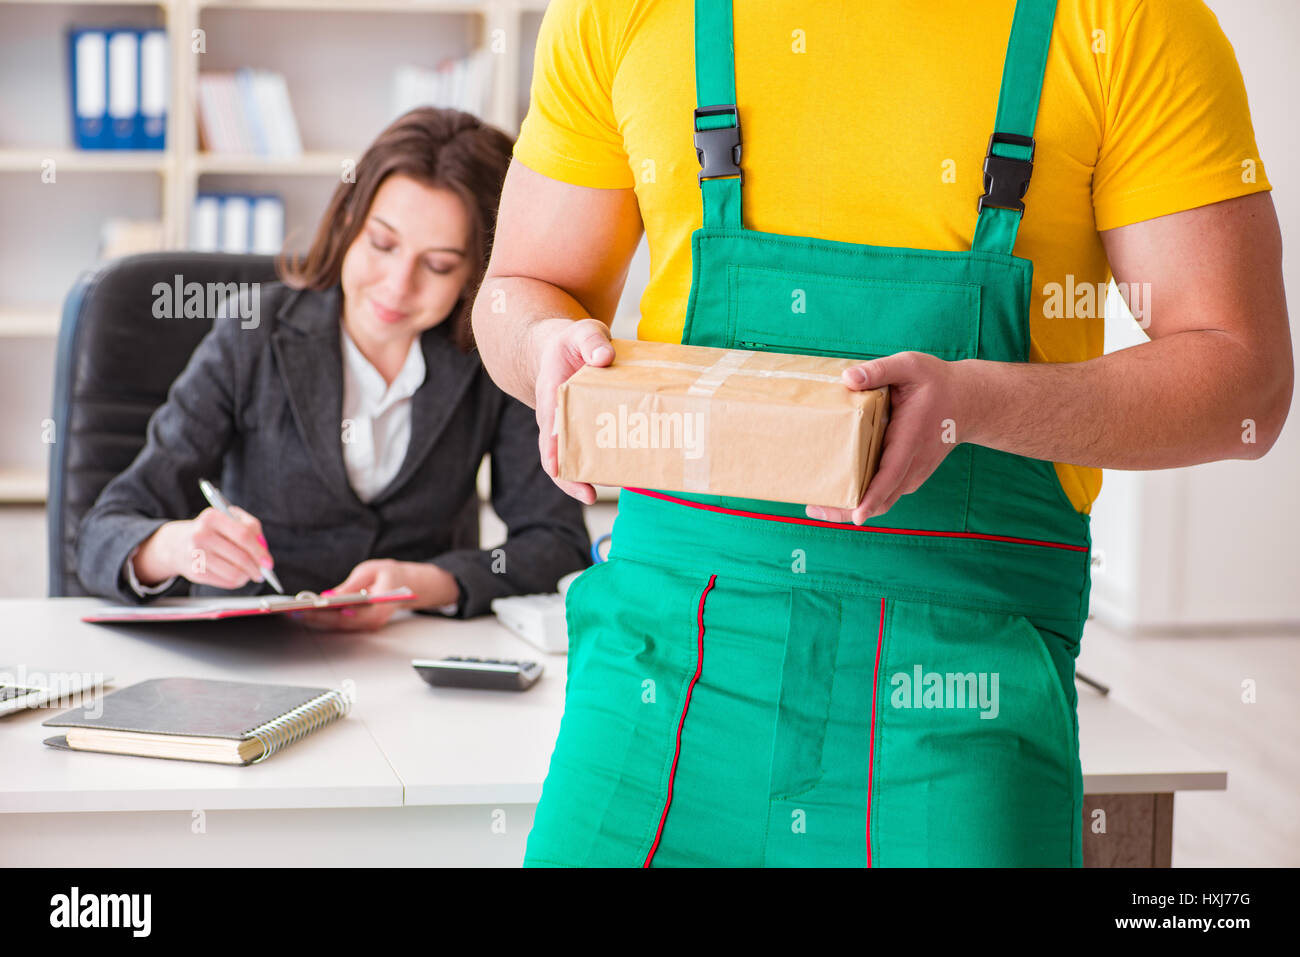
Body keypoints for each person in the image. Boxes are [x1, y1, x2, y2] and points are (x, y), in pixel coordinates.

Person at [472, 0, 1292, 865]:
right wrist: (541, 348)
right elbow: (516, 288)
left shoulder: (1124, 22)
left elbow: (1245, 377)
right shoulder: (623, 11)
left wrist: (975, 402)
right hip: (662, 659)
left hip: (961, 681)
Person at [76, 107, 592, 629]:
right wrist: (175, 546)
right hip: (256, 655)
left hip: (413, 656)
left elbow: (557, 543)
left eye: (437, 264)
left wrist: (423, 584)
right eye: (382, 244)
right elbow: (102, 531)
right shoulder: (252, 334)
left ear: (476, 273)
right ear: (348, 220)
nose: (397, 284)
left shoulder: (492, 356)